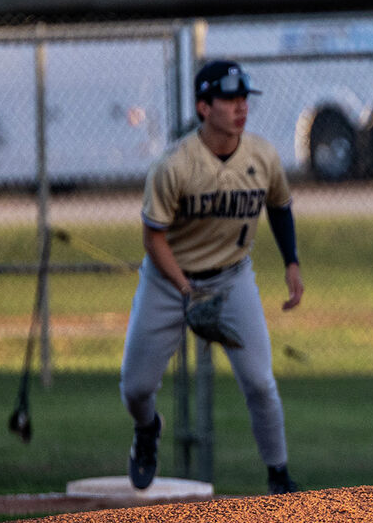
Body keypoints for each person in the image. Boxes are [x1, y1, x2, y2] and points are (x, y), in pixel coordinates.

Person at [120, 59, 305, 494]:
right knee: (136, 387)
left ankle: (279, 476)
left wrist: (292, 263)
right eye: (228, 99)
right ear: (204, 107)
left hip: (232, 278)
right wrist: (186, 291)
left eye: (244, 98)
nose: (241, 107)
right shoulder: (175, 165)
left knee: (260, 382)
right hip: (168, 281)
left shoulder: (262, 156)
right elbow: (153, 238)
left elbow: (279, 206)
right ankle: (147, 430)